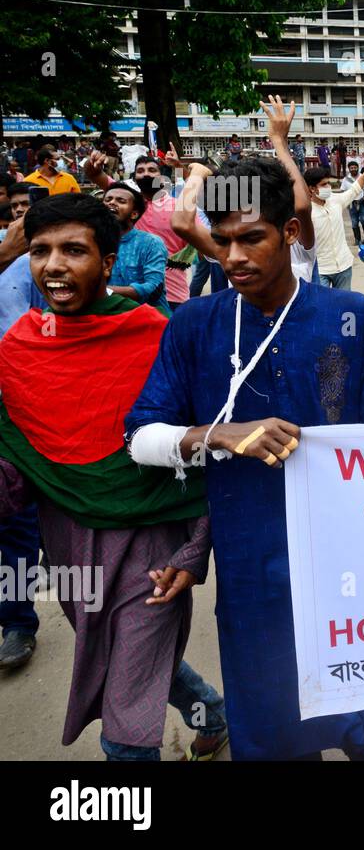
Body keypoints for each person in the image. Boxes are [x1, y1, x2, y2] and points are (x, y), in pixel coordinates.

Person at [125, 153, 364, 761]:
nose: (235, 258)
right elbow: (140, 437)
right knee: (269, 723)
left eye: (252, 238)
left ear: (290, 233)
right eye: (221, 242)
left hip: (343, 566)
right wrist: (216, 435)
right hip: (250, 571)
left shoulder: (350, 317)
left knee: (360, 717)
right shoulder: (193, 325)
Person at [0, 192, 227, 760]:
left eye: (73, 250)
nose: (53, 265)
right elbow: (16, 472)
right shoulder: (20, 348)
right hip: (70, 546)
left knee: (124, 735)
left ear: (108, 262)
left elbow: (204, 451)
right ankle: (215, 713)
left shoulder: (157, 335)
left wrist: (195, 551)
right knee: (123, 652)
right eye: (40, 251)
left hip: (156, 544)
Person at [303, 156, 364, 291]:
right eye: (323, 184)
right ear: (311, 188)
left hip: (344, 265)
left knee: (343, 307)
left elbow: (355, 189)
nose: (328, 187)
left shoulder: (335, 200)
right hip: (321, 270)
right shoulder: (305, 212)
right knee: (323, 307)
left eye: (328, 183)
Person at [101, 179, 169, 315]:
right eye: (108, 199)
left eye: (121, 201)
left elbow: (152, 288)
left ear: (134, 214)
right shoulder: (94, 241)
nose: (112, 203)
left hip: (149, 321)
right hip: (106, 320)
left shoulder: (151, 243)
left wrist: (102, 291)